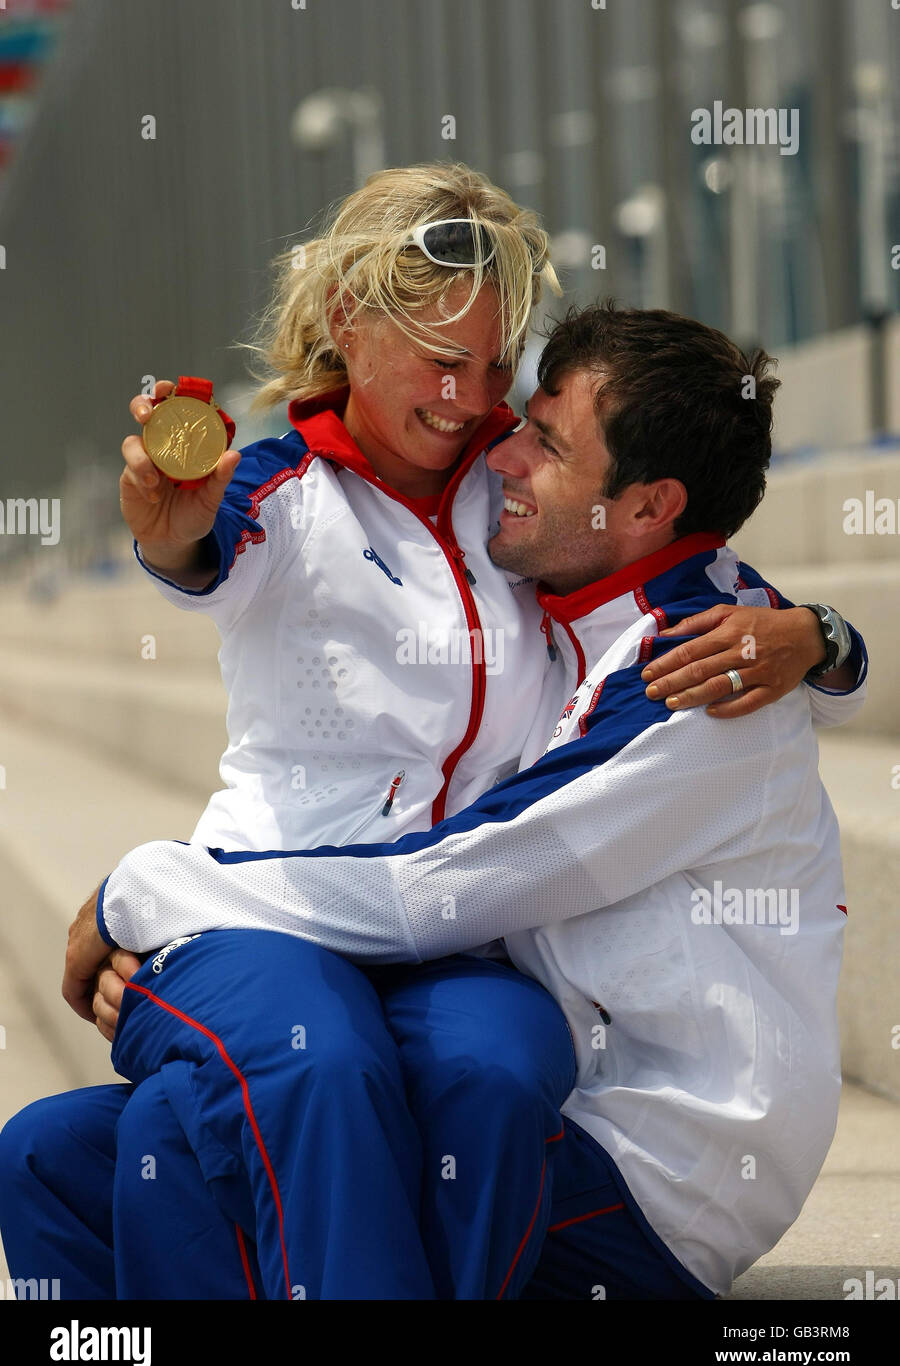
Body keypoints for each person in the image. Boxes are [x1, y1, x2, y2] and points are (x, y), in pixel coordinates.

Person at [0, 167, 862, 1297]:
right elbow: (206, 546)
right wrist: (170, 538)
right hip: (287, 925)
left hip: (521, 1009)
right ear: (349, 323)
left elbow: (447, 883)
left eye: (500, 370)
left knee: (460, 1077)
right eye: (445, 360)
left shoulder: (614, 587)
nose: (481, 409)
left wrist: (142, 894)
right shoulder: (293, 492)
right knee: (188, 1111)